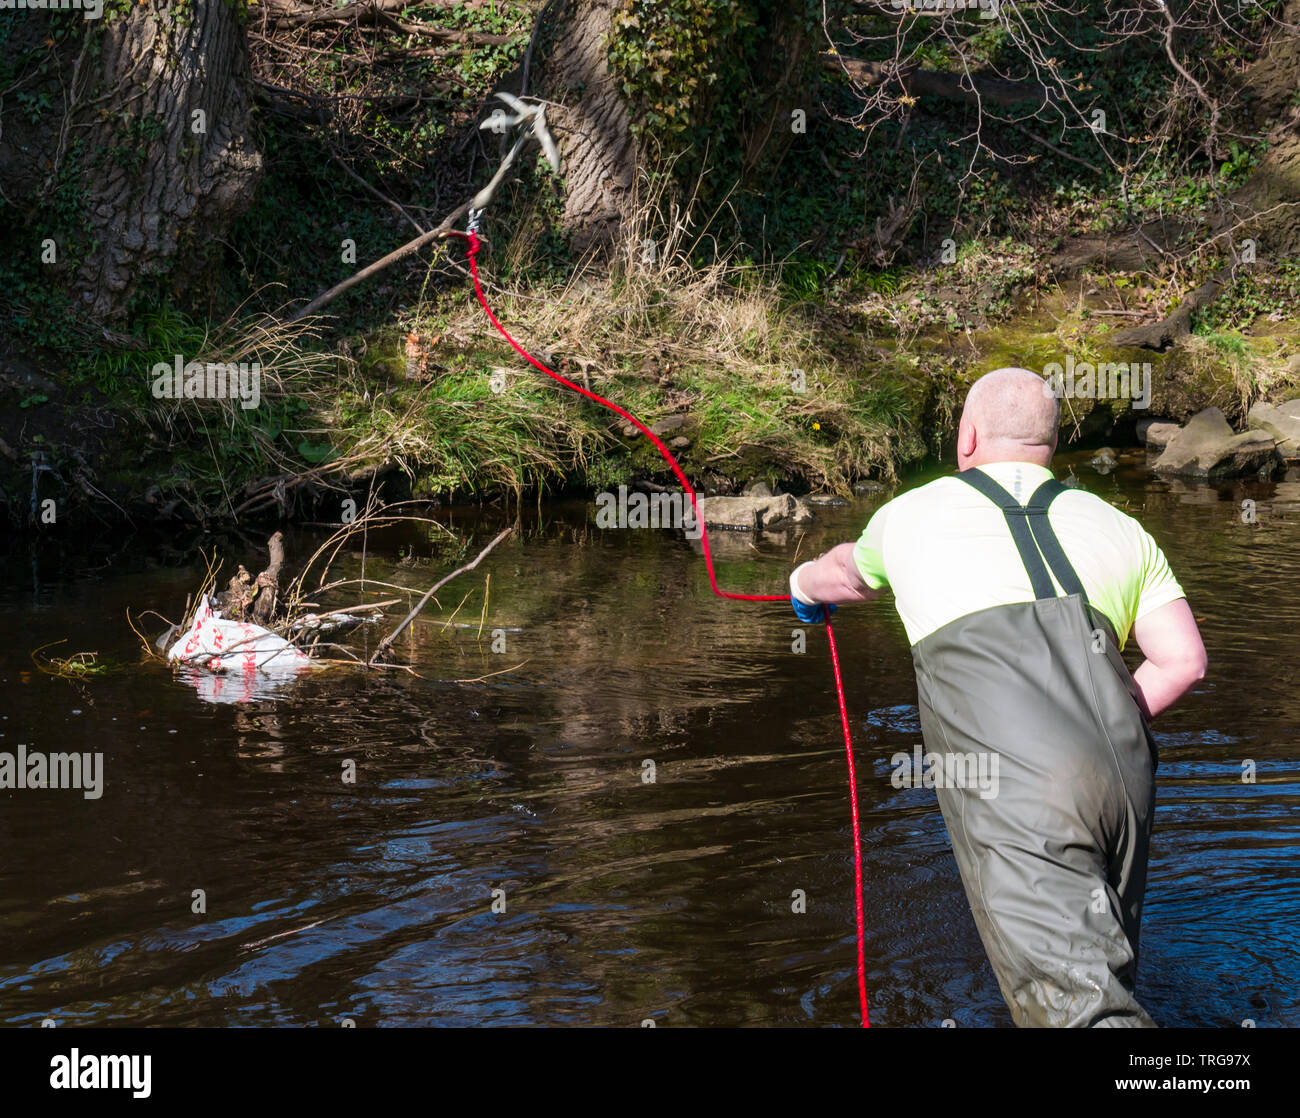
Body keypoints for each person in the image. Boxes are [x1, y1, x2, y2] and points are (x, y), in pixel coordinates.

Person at [789, 367, 1207, 1027]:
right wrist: (1094, 723)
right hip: (1124, 772)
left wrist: (803, 587)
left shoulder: (910, 515)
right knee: (1105, 974)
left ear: (968, 436)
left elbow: (847, 573)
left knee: (1083, 1013)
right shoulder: (1120, 527)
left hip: (1021, 789)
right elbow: (1183, 661)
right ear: (1049, 444)